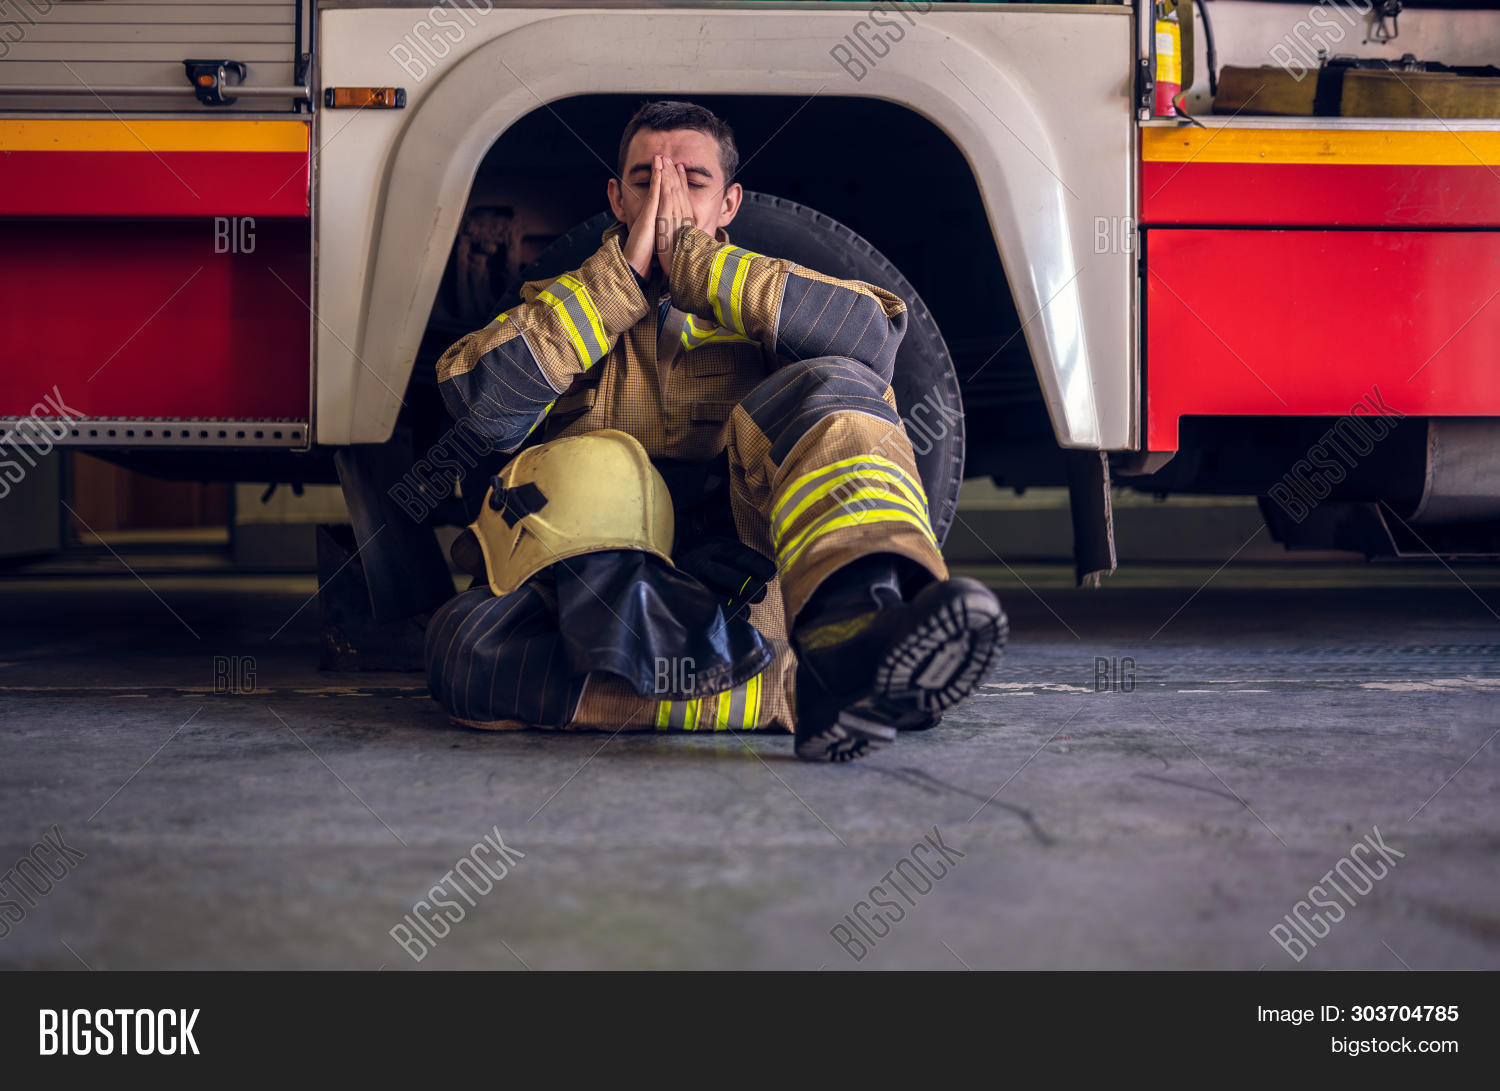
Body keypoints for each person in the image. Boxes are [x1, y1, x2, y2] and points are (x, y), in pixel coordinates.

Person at [425, 100, 1006, 762]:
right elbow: (481, 406)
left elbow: (872, 338)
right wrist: (618, 283)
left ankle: (851, 623)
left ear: (729, 204)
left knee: (834, 383)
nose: (665, 195)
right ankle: (814, 686)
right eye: (646, 180)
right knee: (466, 650)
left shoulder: (768, 294)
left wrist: (695, 264)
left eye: (691, 181)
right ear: (615, 197)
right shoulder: (557, 302)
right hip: (602, 604)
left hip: (753, 585)